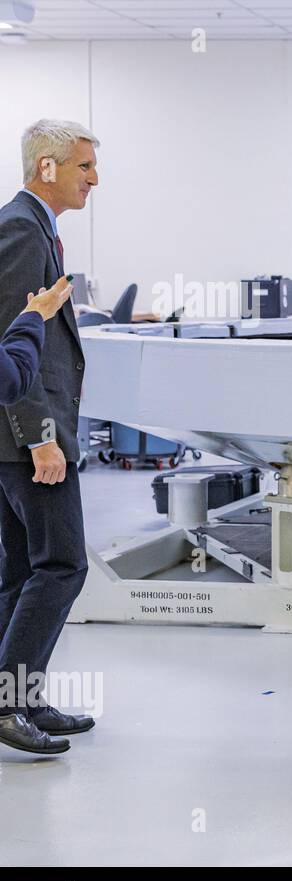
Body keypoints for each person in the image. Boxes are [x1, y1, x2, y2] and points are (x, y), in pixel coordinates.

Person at [0, 119, 99, 756]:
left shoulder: (36, 228)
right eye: (84, 166)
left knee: (18, 570)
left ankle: (20, 700)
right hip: (24, 439)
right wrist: (40, 436)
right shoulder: (20, 229)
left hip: (13, 441)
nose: (95, 179)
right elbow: (13, 337)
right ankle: (9, 703)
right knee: (63, 564)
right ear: (47, 168)